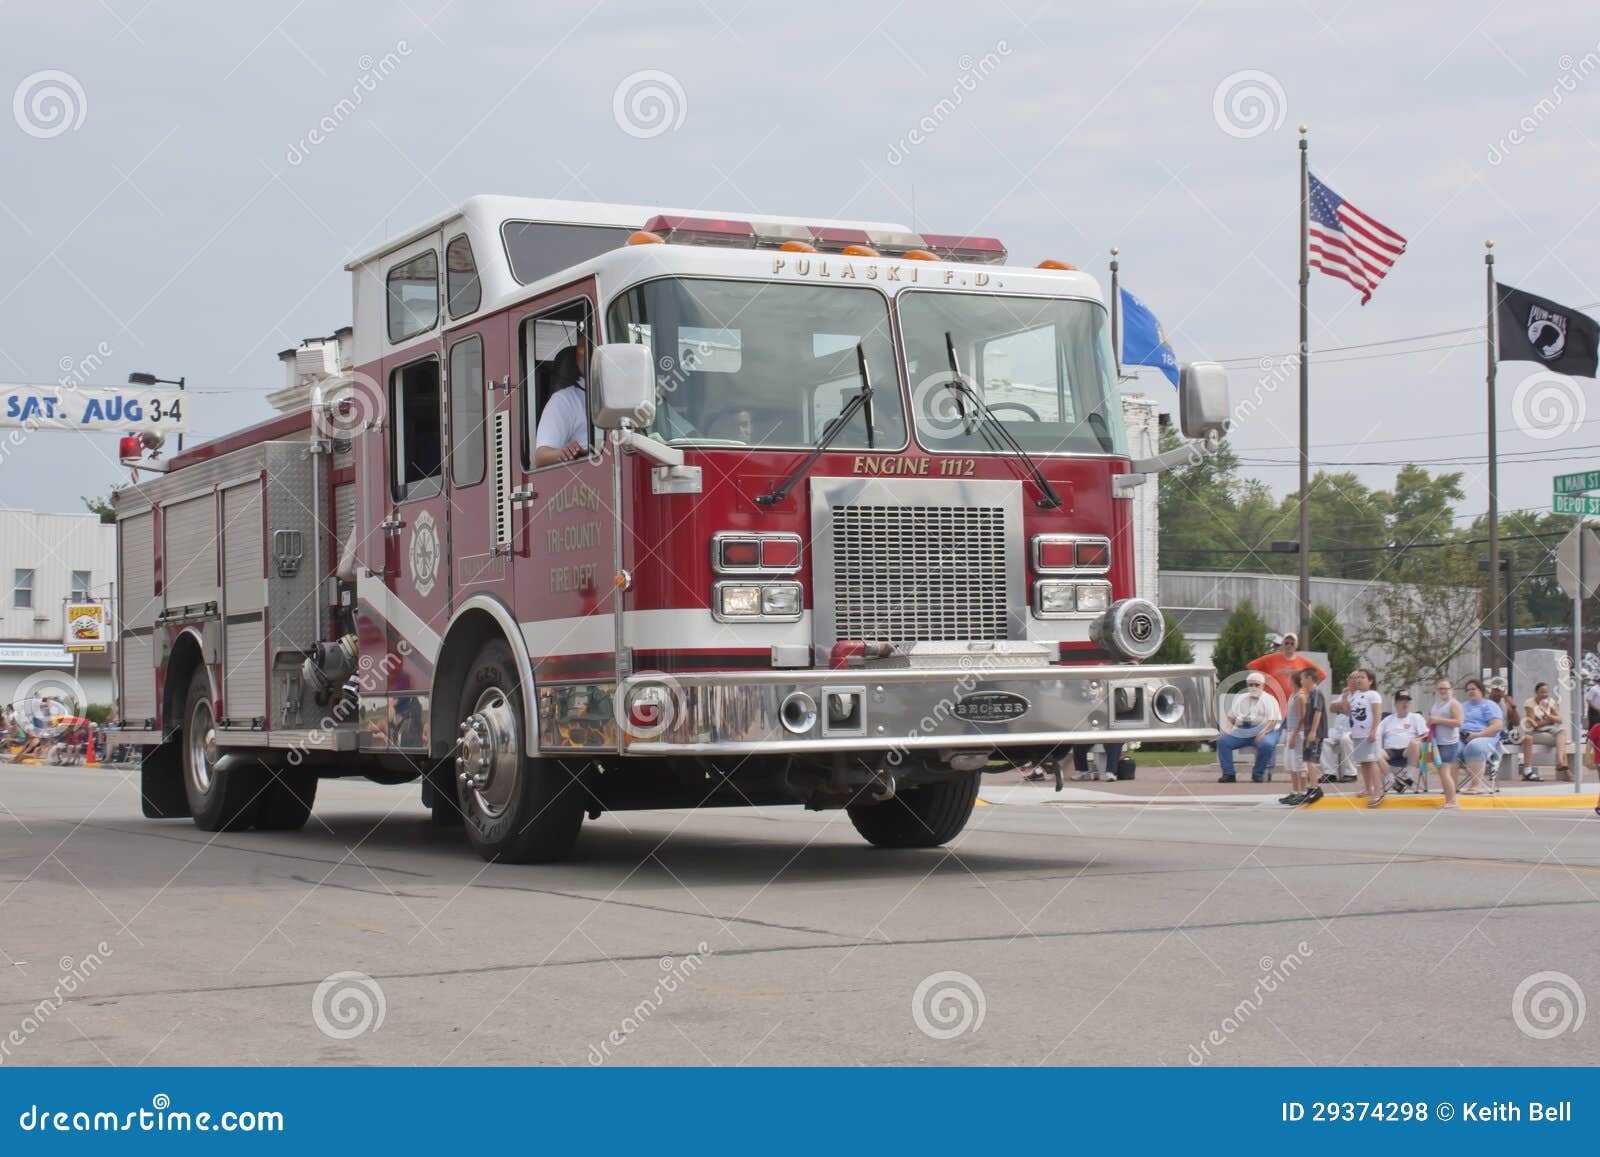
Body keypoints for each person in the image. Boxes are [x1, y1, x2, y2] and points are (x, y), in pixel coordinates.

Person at [1216, 671, 1283, 783]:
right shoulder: (1241, 698)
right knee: (1223, 741)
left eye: (1257, 685)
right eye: (1250, 685)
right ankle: (1229, 774)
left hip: (1267, 729)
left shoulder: (1270, 699)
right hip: (1244, 729)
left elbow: (1273, 721)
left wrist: (1263, 733)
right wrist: (1228, 728)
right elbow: (1231, 717)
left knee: (1267, 744)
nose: (1253, 687)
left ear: (1263, 686)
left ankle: (1258, 774)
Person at [533, 337, 590, 466]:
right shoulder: (564, 400)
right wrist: (565, 453)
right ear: (577, 358)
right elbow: (541, 456)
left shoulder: (622, 393)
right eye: (582, 350)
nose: (589, 354)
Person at [1332, 667, 1384, 806]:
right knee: (1364, 762)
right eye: (1357, 677)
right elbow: (1349, 713)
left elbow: (1377, 714)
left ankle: (1378, 791)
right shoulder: (1355, 695)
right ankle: (1368, 788)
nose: (1359, 680)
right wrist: (1344, 698)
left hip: (1369, 734)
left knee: (1372, 761)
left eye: (1362, 677)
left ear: (1370, 681)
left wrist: (1373, 731)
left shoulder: (1373, 695)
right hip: (1358, 733)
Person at [1280, 667, 1327, 806]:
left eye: (1303, 678)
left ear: (1309, 678)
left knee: (1309, 761)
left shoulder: (1315, 692)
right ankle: (1310, 788)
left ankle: (1314, 788)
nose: (1301, 681)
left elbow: (1318, 712)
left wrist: (1313, 731)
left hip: (1313, 732)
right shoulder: (1310, 693)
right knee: (1307, 760)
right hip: (1306, 732)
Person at [1247, 632, 1328, 709]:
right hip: (1275, 704)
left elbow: (1322, 675)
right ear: (1282, 644)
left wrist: (1309, 690)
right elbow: (1251, 666)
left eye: (1292, 643)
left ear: (1296, 645)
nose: (1289, 645)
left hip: (1297, 705)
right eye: (1287, 643)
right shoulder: (1271, 659)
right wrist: (1263, 682)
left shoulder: (1304, 662)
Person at [1458, 677, 1505, 798]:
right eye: (1468, 690)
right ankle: (1451, 785)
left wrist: (1477, 735)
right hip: (1462, 737)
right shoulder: (1462, 706)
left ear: (1481, 690)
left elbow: (1497, 726)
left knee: (1475, 746)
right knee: (1451, 748)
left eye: (1473, 689)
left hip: (1486, 737)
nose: (1470, 691)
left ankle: (1476, 785)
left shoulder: (1489, 705)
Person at [1377, 691, 1429, 793]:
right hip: (1390, 751)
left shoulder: (1416, 717)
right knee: (1375, 752)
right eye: (1402, 701)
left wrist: (1417, 740)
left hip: (1408, 751)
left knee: (1414, 743)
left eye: (1407, 701)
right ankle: (1393, 781)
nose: (1405, 704)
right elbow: (1376, 734)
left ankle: (1408, 776)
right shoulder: (1387, 720)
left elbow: (1426, 734)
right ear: (1396, 704)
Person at [1520, 681, 1571, 781]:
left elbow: (1560, 719)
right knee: (1561, 741)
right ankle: (1565, 769)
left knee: (1562, 732)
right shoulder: (1529, 704)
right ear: (1536, 692)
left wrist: (1547, 716)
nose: (1545, 695)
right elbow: (1533, 724)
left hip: (1549, 730)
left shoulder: (1550, 702)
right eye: (1542, 692)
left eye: (1546, 692)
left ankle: (1560, 761)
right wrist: (1548, 719)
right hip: (1534, 733)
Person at [1427, 678, 1464, 807]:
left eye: (1445, 688)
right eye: (1440, 688)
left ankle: (1452, 800)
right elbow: (1432, 721)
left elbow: (1458, 722)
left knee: (1445, 772)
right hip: (1438, 742)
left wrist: (1437, 720)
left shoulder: (1454, 704)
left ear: (1451, 690)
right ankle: (1449, 800)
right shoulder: (1436, 705)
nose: (1442, 691)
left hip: (1449, 743)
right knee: (1442, 773)